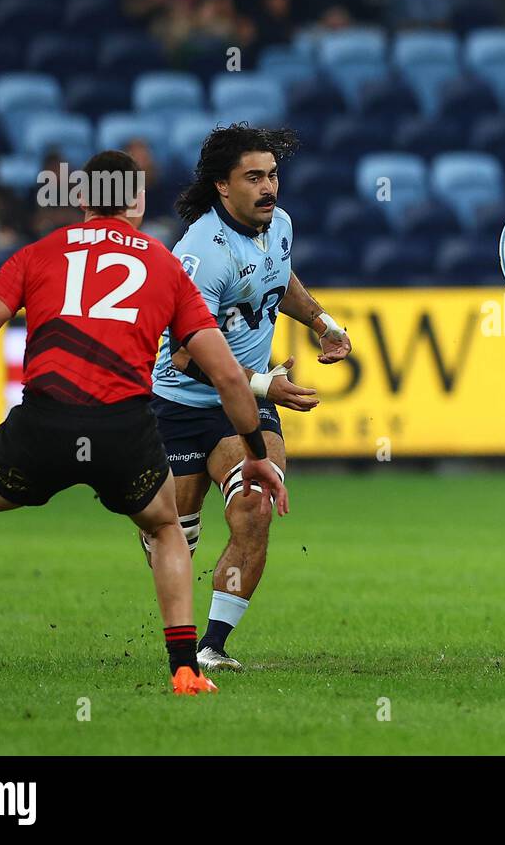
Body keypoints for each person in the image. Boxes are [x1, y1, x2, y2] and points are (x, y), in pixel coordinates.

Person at [0, 149, 287, 696]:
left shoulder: (38, 254)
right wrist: (257, 455)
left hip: (43, 425)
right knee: (167, 528)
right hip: (125, 432)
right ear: (137, 201)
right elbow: (228, 378)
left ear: (80, 199)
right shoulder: (166, 266)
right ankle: (185, 669)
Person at [148, 124, 352, 673]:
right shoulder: (198, 256)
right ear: (222, 187)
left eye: (273, 175)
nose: (269, 188)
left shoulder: (278, 224)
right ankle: (182, 624)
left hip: (240, 405)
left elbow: (278, 277)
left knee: (255, 506)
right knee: (173, 534)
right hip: (178, 405)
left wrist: (321, 322)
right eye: (254, 178)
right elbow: (184, 356)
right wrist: (263, 383)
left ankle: (211, 646)